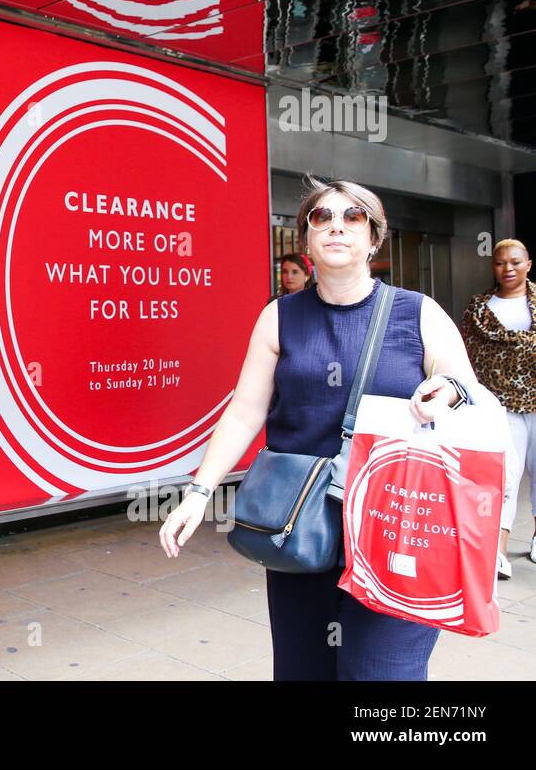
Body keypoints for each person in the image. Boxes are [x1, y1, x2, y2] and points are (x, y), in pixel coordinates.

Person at [158, 173, 480, 680]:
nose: (337, 226)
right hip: (300, 527)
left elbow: (468, 390)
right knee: (303, 667)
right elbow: (245, 411)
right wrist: (199, 491)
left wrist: (450, 393)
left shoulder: (418, 314)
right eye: (322, 217)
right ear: (306, 237)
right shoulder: (279, 318)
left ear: (374, 237)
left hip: (397, 525)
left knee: (382, 672)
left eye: (353, 217)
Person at [461, 239, 536, 580]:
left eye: (515, 262)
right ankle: (499, 548)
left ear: (528, 265)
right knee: (503, 475)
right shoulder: (478, 310)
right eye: (500, 263)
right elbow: (466, 359)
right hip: (499, 405)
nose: (508, 269)